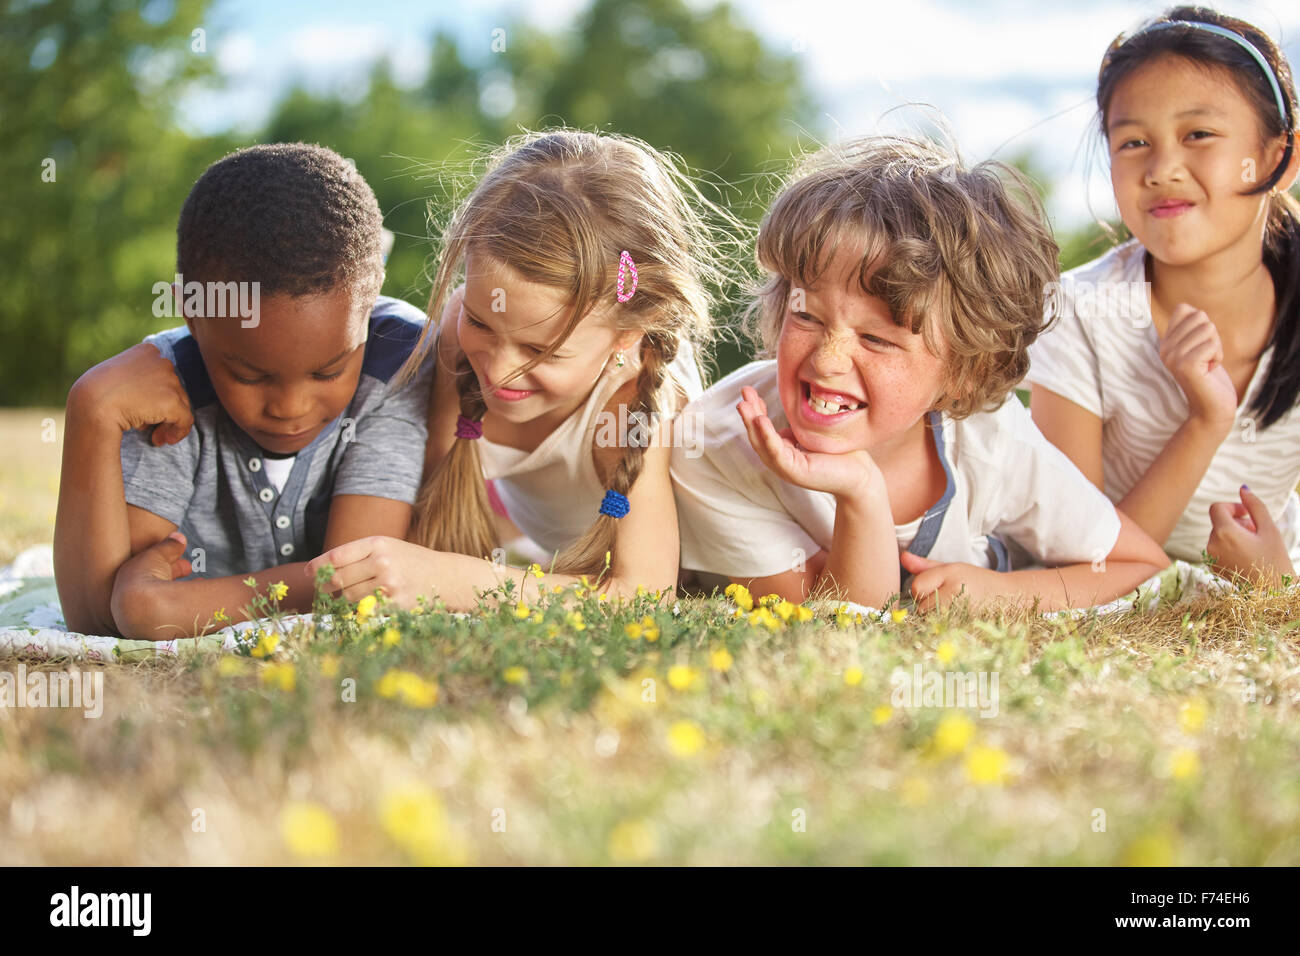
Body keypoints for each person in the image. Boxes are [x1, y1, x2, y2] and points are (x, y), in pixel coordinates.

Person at [1027, 7, 1300, 588]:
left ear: (1280, 158)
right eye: (1133, 142)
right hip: (1115, 589)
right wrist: (1206, 421)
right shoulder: (1078, 313)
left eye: (1198, 134)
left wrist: (1277, 582)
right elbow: (1078, 563)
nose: (1162, 168)